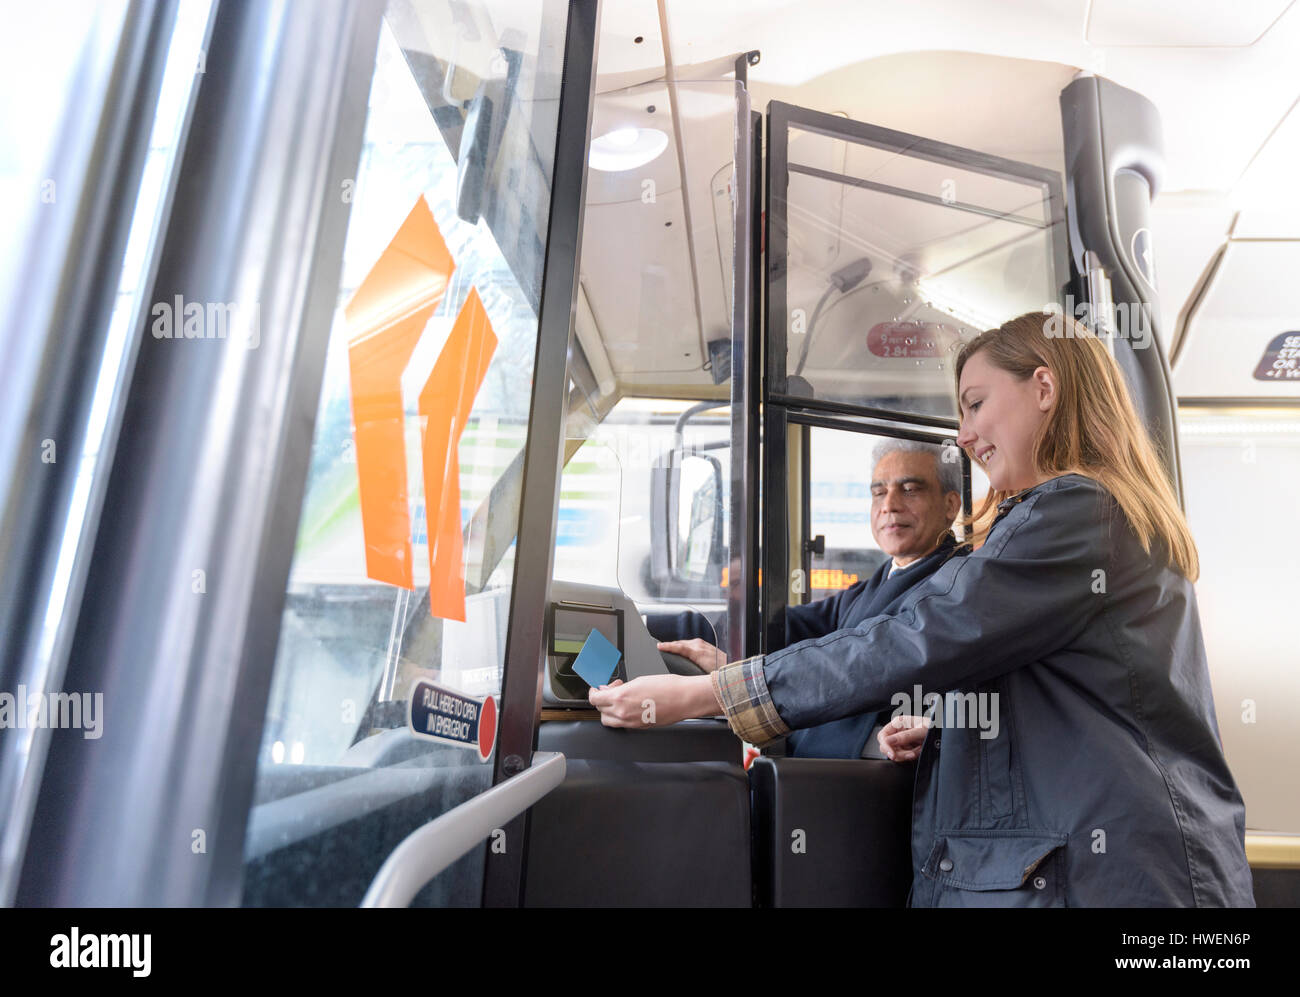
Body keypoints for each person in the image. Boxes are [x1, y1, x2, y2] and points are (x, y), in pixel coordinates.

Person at [590, 311, 1255, 907]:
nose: (964, 434)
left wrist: (704, 695)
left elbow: (915, 638)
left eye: (974, 404)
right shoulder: (1077, 519)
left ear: (1044, 389)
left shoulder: (1078, 512)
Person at [646, 439, 966, 759]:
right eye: (879, 492)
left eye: (910, 489)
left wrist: (734, 678)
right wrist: (651, 625)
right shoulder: (881, 582)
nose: (890, 505)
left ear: (950, 505)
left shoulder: (953, 586)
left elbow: (849, 672)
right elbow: (782, 627)